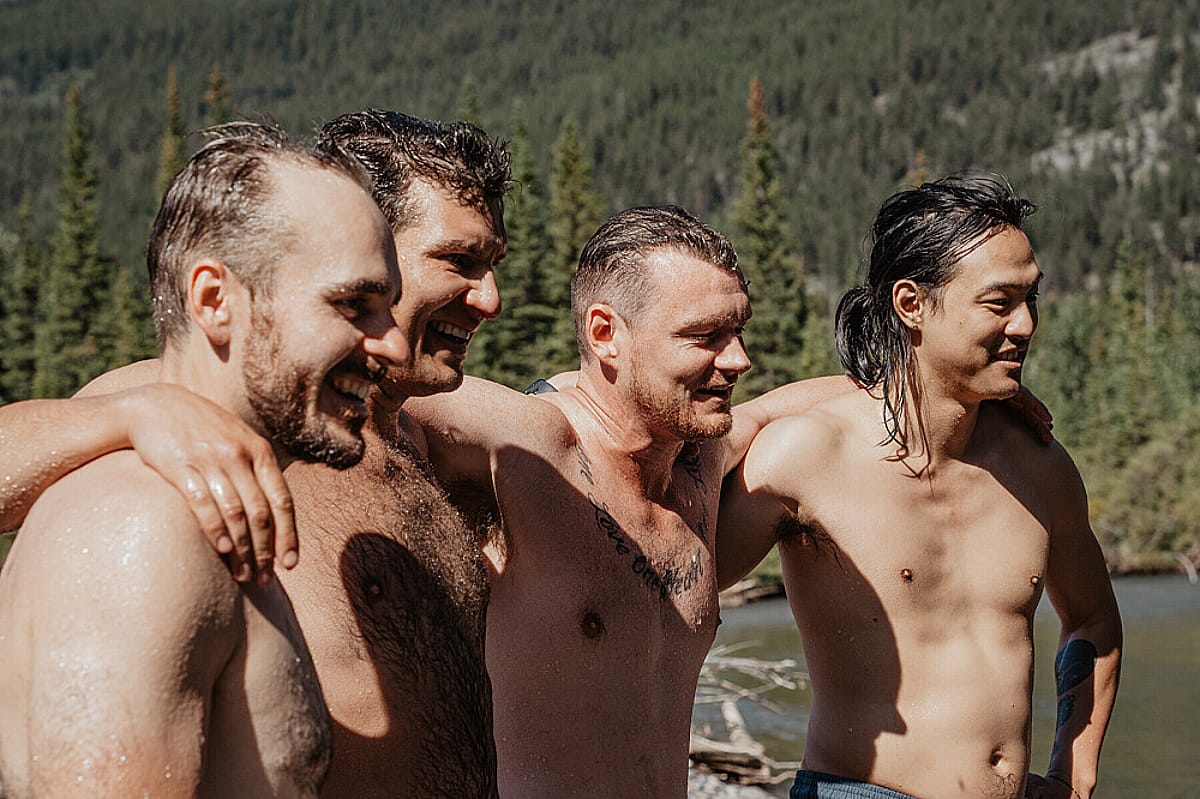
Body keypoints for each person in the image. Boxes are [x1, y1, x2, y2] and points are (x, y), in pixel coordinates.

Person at [0, 110, 511, 798]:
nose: (389, 342)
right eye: (353, 303)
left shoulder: (417, 435)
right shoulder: (141, 522)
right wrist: (127, 414)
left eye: (384, 305)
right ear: (214, 301)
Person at [717, 173, 1122, 799]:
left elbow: (1093, 618)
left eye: (1031, 299)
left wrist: (1073, 773)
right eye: (998, 303)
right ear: (911, 305)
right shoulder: (807, 453)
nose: (1025, 325)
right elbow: (669, 595)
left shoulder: (1040, 467)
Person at [405, 204, 764, 797]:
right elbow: (368, 379)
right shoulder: (531, 446)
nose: (738, 360)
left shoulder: (701, 460)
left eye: (738, 331)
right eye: (705, 337)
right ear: (605, 335)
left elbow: (795, 408)